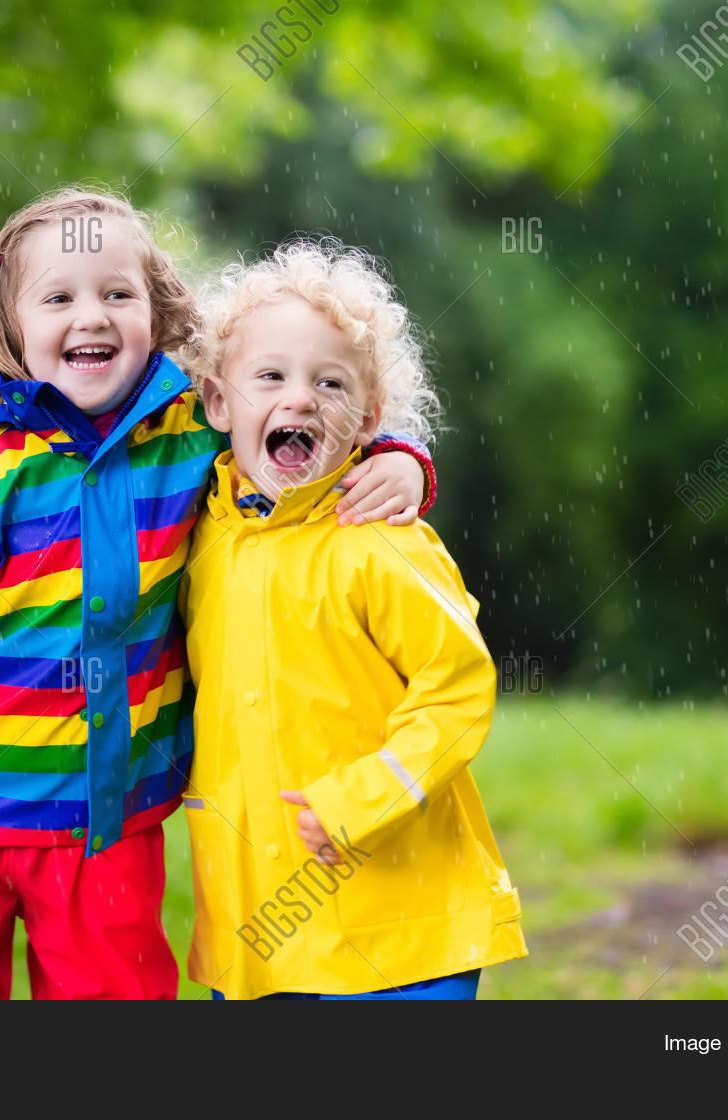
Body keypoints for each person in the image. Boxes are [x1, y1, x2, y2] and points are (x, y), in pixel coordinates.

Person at [0, 189, 437, 999]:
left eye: (118, 293)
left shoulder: (195, 433)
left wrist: (394, 454)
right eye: (59, 298)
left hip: (105, 824)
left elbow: (293, 420)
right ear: (12, 327)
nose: (93, 316)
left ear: (156, 309)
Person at [181, 238, 526, 1000]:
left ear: (369, 419)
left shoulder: (380, 542)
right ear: (216, 402)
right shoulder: (196, 538)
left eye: (329, 383)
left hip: (400, 926)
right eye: (269, 377)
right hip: (256, 927)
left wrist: (363, 797)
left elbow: (458, 685)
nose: (299, 399)